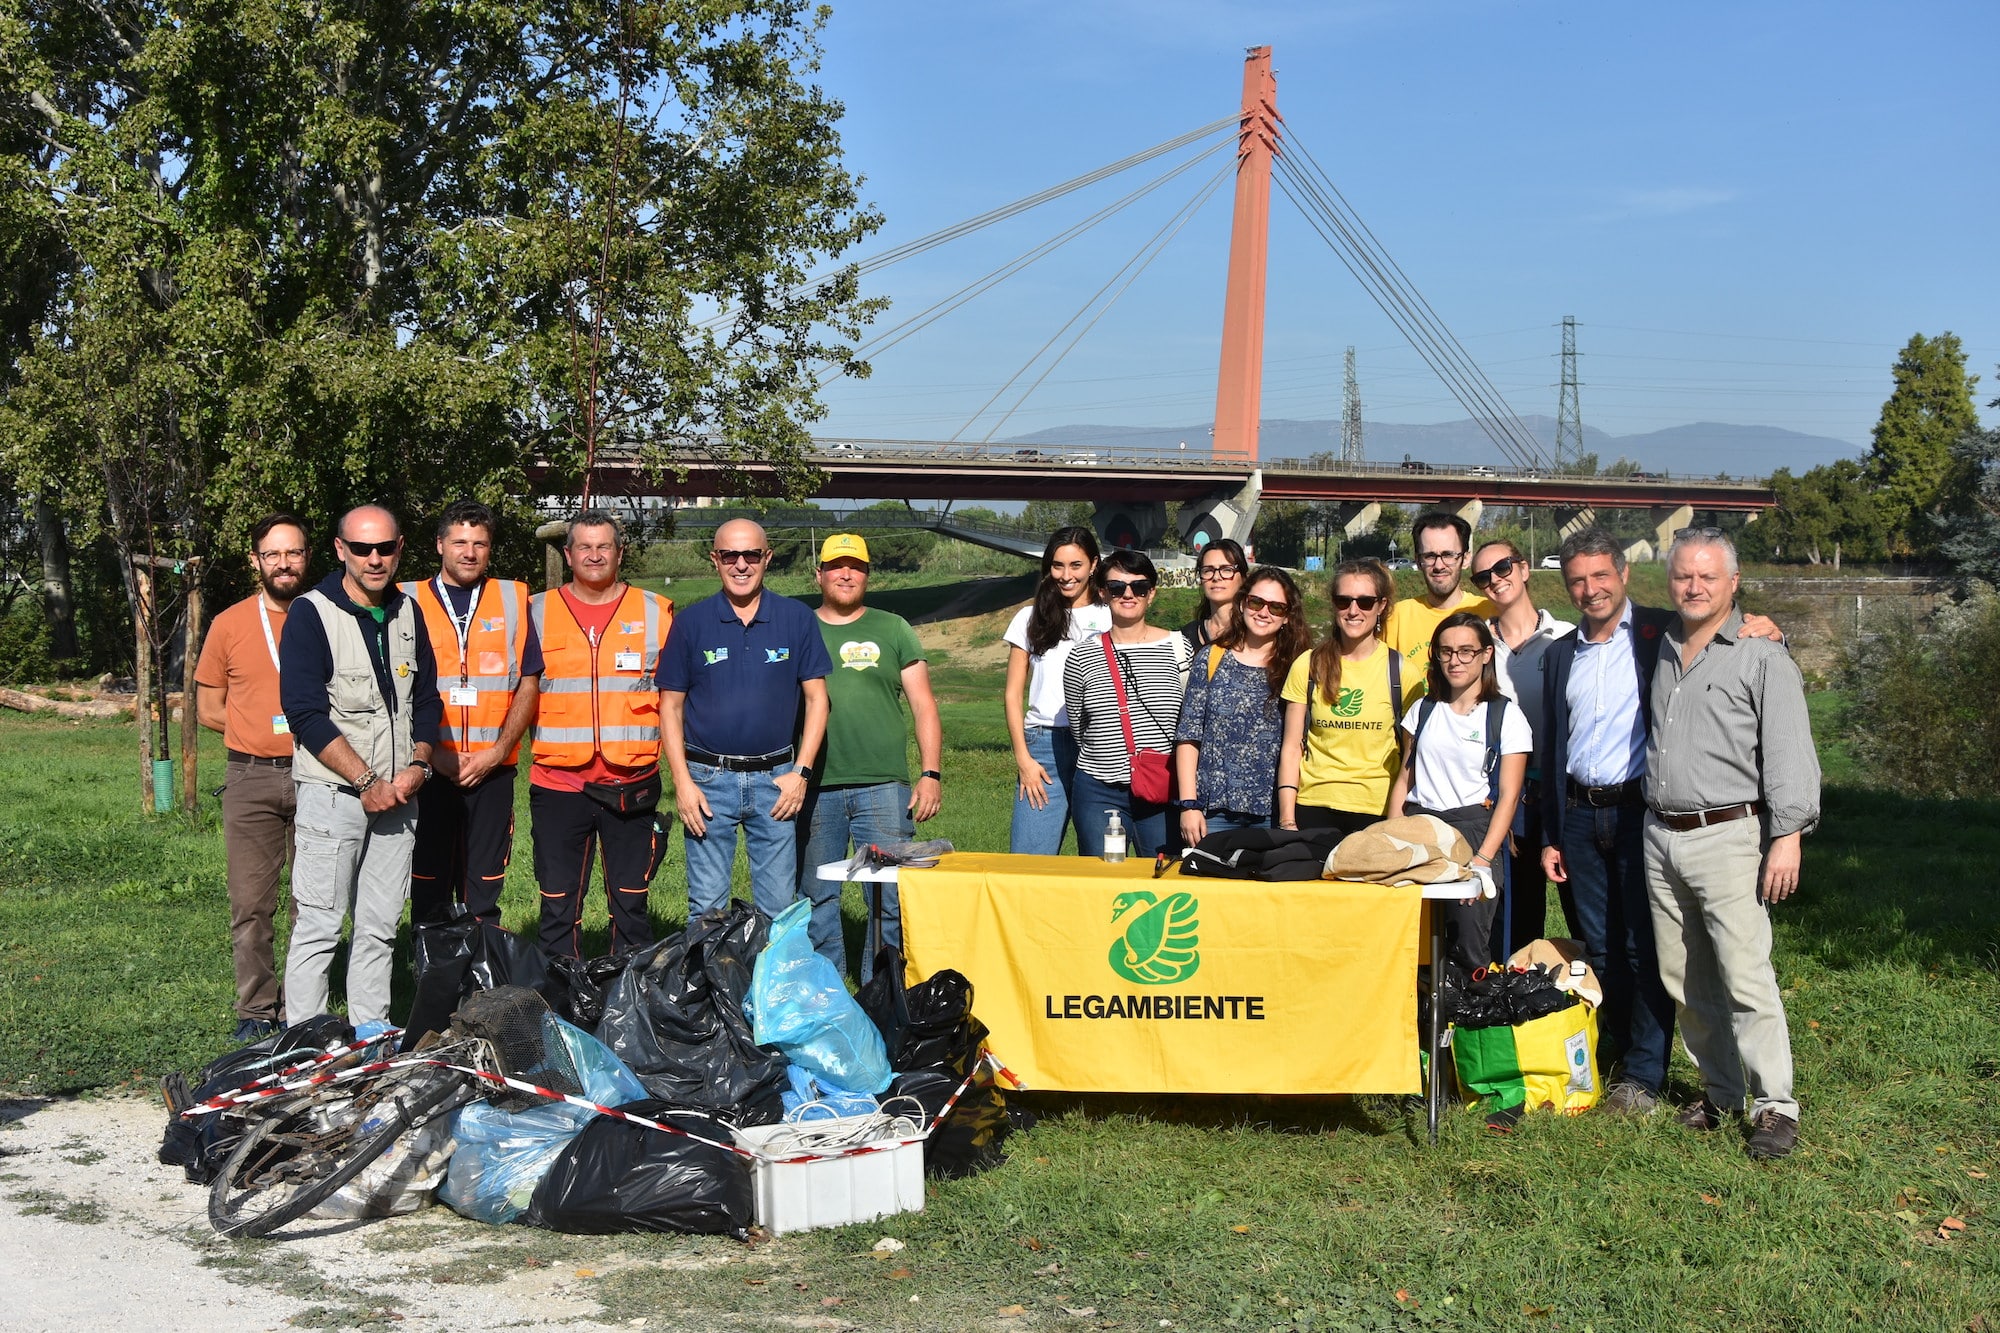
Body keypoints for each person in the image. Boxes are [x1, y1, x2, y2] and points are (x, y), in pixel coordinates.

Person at [1539, 525, 1783, 1114]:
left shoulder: (1659, 634)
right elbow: (1553, 745)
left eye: (1601, 575)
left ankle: (1646, 1074)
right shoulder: (1559, 654)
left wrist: (1769, 627)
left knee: (1643, 946)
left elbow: (1723, 629)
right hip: (1577, 815)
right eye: (1577, 580)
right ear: (1567, 588)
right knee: (1598, 946)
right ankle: (1615, 1052)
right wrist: (1552, 833)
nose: (1591, 589)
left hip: (1638, 813)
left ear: (1623, 575)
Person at [1645, 528, 1819, 1160]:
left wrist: (1788, 837)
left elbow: (1791, 755)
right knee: (1685, 976)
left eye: (1707, 577)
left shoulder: (1762, 656)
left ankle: (1776, 1106)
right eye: (1684, 576)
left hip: (1730, 835)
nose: (1694, 587)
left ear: (1733, 584)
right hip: (1660, 835)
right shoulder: (1661, 644)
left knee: (1746, 976)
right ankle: (1720, 1092)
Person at [279, 505, 440, 1033]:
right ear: (340, 549)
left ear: (400, 548)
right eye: (363, 548)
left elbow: (427, 700)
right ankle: (305, 1045)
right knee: (321, 924)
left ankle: (371, 1036)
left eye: (386, 548)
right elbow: (304, 713)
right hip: (337, 795)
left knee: (379, 926)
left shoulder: (408, 611)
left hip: (400, 794)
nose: (375, 559)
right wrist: (365, 781)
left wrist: (419, 764)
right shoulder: (311, 613)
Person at [660, 518, 831, 922]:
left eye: (751, 554)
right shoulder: (691, 622)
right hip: (707, 781)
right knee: (706, 908)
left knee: (777, 908)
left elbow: (817, 700)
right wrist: (682, 784)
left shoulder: (796, 618)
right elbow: (669, 707)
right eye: (730, 555)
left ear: (766, 558)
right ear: (715, 560)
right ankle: (710, 986)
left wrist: (801, 774)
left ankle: (768, 986)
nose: (741, 564)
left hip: (777, 781)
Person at [527, 510, 675, 958]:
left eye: (604, 546)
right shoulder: (535, 612)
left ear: (619, 552)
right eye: (585, 547)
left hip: (630, 783)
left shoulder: (657, 612)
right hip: (558, 785)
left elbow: (676, 698)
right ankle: (558, 1007)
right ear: (568, 554)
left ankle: (629, 1006)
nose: (595, 555)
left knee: (632, 907)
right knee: (557, 908)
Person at [797, 533, 943, 981]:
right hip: (815, 784)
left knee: (887, 895)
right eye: (836, 566)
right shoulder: (798, 626)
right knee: (816, 894)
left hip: (883, 785)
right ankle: (828, 989)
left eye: (855, 566)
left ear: (867, 574)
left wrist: (930, 773)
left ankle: (883, 988)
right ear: (818, 573)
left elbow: (923, 704)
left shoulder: (892, 627)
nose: (846, 574)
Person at [194, 513, 308, 1043]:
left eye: (294, 552)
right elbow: (207, 707)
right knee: (252, 903)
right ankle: (257, 1010)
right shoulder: (230, 622)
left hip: (319, 775)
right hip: (251, 777)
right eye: (273, 554)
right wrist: (255, 731)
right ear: (256, 560)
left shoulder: (326, 616)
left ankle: (303, 1006)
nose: (284, 563)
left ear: (308, 557)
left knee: (313, 902)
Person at [401, 501, 540, 928]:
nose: (469, 552)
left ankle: (482, 983)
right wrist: (433, 756)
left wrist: (498, 753)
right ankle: (432, 980)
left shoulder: (513, 598)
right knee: (428, 884)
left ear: (490, 549)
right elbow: (395, 690)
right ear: (439, 544)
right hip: (426, 768)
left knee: (484, 886)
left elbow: (529, 682)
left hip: (491, 771)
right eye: (459, 541)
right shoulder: (405, 599)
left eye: (480, 543)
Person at [1387, 612, 1530, 969]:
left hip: (1473, 831)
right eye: (1446, 651)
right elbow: (1406, 778)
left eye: (1467, 651)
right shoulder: (1422, 710)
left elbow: (1509, 797)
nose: (1455, 660)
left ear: (1486, 654)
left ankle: (1467, 1016)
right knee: (1409, 939)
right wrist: (1390, 835)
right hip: (1420, 829)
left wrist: (1482, 859)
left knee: (1469, 942)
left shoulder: (1506, 716)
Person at [1469, 538, 1575, 956]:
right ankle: (1514, 998)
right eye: (1483, 576)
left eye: (1503, 567)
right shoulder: (1478, 647)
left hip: (1559, 790)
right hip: (1500, 795)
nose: (1495, 579)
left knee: (1578, 901)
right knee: (1512, 914)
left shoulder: (1566, 638)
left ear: (1525, 568)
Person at [1063, 549, 1191, 858]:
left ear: (1152, 594)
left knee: (1163, 880)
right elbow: (1079, 727)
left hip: (1161, 787)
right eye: (1118, 587)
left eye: (1139, 587)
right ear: (1104, 593)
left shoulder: (1178, 647)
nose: (1128, 594)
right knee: (1101, 881)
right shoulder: (1081, 656)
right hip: (1098, 790)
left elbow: (1189, 720)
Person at [1276, 558, 1417, 835]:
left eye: (1365, 602)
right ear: (1333, 604)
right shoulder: (1308, 665)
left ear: (1382, 606)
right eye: (1344, 601)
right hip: (1314, 807)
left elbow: (1410, 760)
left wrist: (1396, 824)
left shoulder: (1402, 672)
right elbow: (1292, 748)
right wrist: (1287, 820)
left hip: (1377, 810)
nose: (1353, 611)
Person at [1172, 567, 1309, 845]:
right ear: (1243, 603)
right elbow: (1189, 735)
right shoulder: (1211, 657)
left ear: (1287, 617)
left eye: (1276, 607)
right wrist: (1189, 804)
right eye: (1256, 602)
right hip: (1214, 812)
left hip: (1274, 811)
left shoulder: (1299, 666)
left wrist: (1288, 817)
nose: (1264, 612)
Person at [1003, 526, 1109, 854]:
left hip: (1100, 746)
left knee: (1102, 861)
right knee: (1029, 860)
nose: (1066, 575)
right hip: (1043, 746)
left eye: (1075, 565)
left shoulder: (1111, 615)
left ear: (1093, 565)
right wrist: (1023, 758)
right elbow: (1011, 693)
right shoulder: (1029, 617)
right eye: (1057, 565)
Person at [1383, 511, 1496, 689]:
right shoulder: (1395, 617)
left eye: (1448, 555)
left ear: (1466, 559)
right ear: (1418, 560)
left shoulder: (1488, 612)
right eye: (1429, 556)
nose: (1439, 565)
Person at [1179, 538, 1249, 650]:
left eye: (1227, 569)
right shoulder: (1185, 638)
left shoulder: (1254, 634)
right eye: (1208, 571)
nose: (1216, 577)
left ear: (1244, 577)